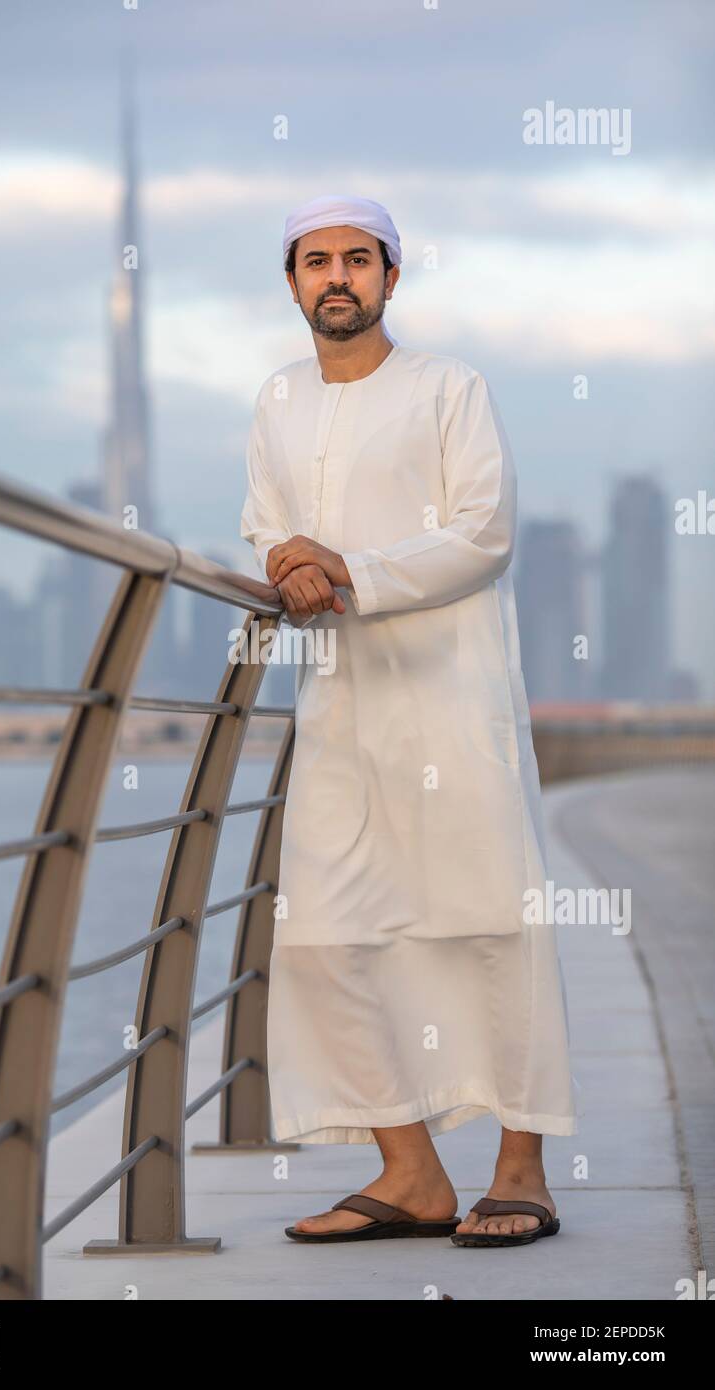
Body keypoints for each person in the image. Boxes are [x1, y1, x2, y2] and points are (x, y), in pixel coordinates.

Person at [239, 194, 579, 1247]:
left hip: (451, 695)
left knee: (486, 920)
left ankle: (519, 1171)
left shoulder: (447, 388)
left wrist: (353, 571)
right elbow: (262, 522)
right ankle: (410, 1172)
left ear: (390, 277)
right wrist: (282, 557)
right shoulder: (276, 400)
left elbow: (482, 534)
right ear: (291, 284)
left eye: (355, 259)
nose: (334, 277)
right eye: (313, 262)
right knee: (321, 935)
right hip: (340, 704)